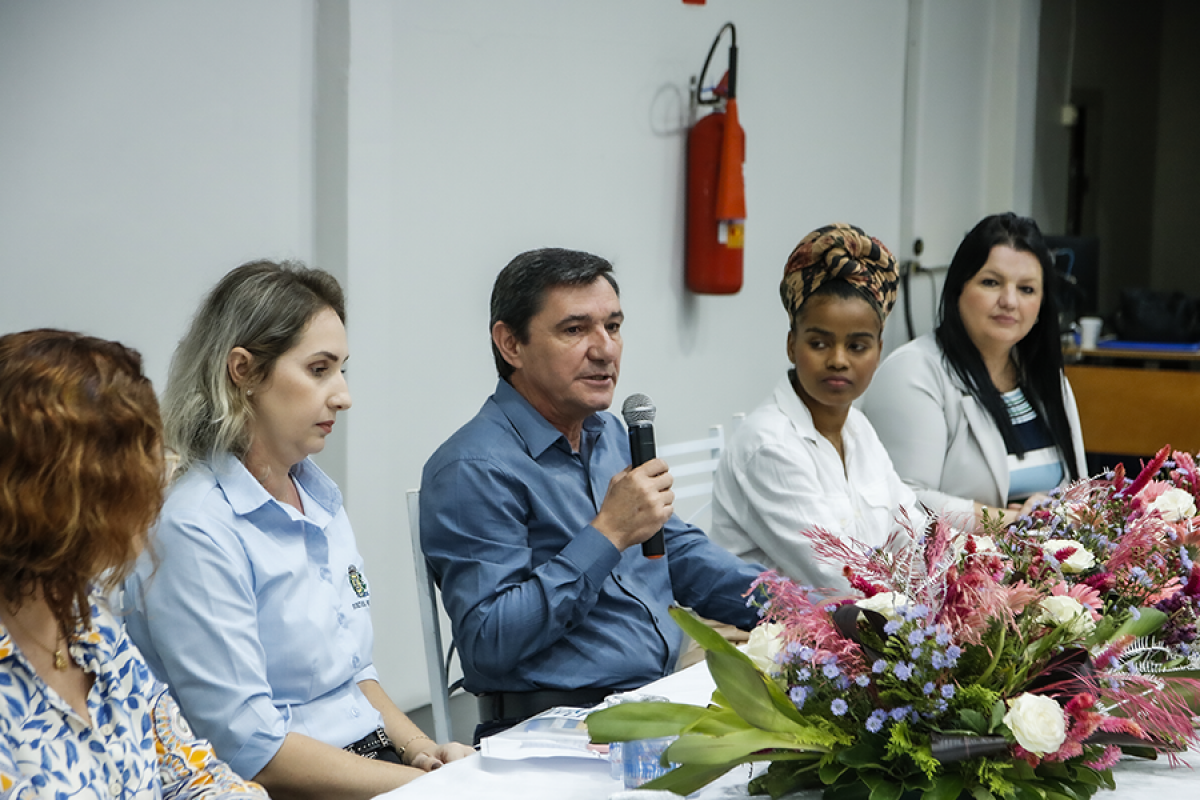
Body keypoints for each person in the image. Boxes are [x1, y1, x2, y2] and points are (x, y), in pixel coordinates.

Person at [122, 262, 473, 800]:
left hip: (367, 763)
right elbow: (251, 748)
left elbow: (355, 674)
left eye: (343, 369)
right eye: (319, 369)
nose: (343, 396)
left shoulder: (318, 495)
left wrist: (425, 752)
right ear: (243, 370)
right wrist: (428, 789)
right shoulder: (194, 526)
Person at [420, 248, 763, 741]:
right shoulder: (472, 468)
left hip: (664, 695)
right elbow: (489, 641)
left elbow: (678, 554)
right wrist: (607, 533)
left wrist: (803, 608)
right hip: (556, 729)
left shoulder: (609, 435)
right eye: (575, 330)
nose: (605, 350)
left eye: (614, 327)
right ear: (511, 344)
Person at [0, 329, 266, 799]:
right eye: (138, 461)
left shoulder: (88, 619)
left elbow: (193, 774)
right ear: (61, 493)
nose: (160, 475)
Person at [710, 224, 918, 593]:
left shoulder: (858, 428)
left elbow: (912, 531)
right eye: (820, 343)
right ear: (792, 345)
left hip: (865, 625)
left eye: (857, 347)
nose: (838, 360)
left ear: (879, 351)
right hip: (765, 639)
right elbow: (841, 579)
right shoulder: (768, 443)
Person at [860, 212, 1087, 526]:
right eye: (991, 283)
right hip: (944, 568)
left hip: (1044, 567)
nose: (1009, 301)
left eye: (1027, 289)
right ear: (958, 290)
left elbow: (1081, 492)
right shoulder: (912, 372)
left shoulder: (1047, 380)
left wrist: (1059, 514)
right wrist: (1017, 521)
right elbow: (905, 499)